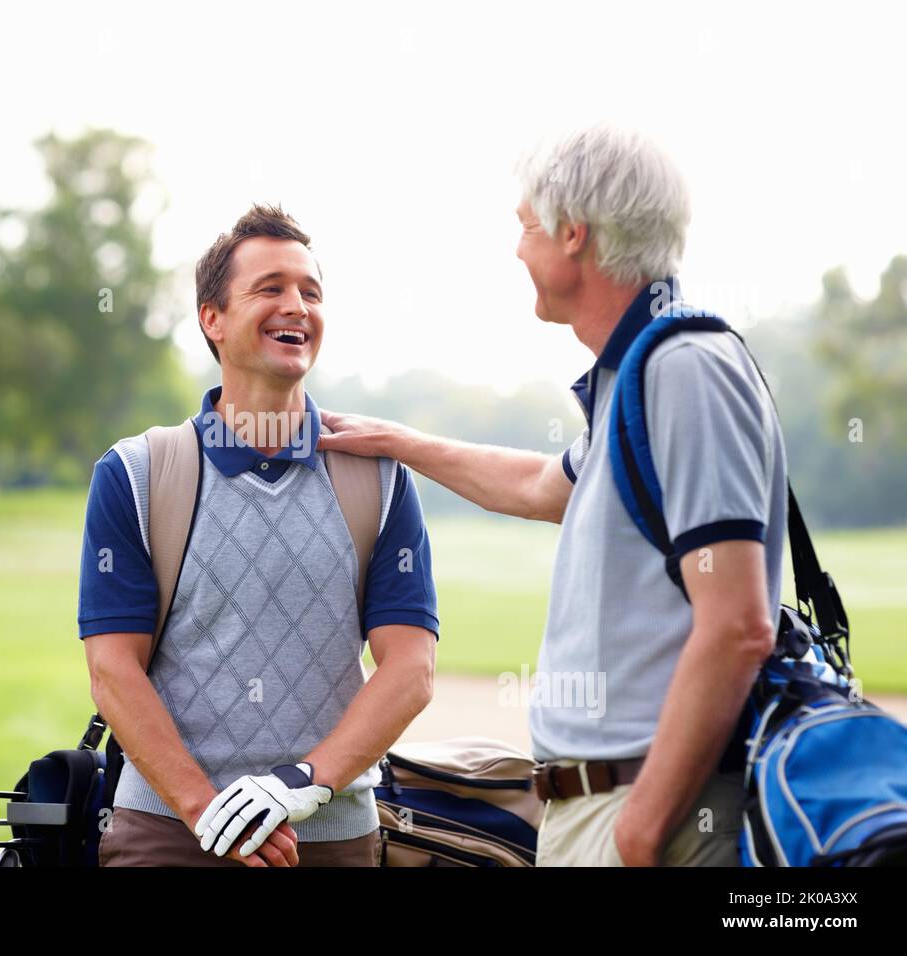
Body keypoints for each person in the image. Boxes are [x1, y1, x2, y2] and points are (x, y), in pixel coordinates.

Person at [319, 126, 786, 866]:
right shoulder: (638, 372)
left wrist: (637, 832)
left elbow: (737, 626)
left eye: (525, 226)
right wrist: (398, 441)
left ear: (574, 235)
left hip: (648, 816)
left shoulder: (684, 369)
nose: (516, 248)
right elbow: (543, 486)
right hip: (608, 810)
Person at [79, 204, 440, 867]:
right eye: (270, 288)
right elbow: (112, 669)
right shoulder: (136, 473)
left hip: (330, 840)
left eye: (311, 291)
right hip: (167, 836)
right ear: (212, 318)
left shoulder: (380, 477)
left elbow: (411, 669)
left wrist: (302, 782)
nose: (296, 305)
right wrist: (204, 809)